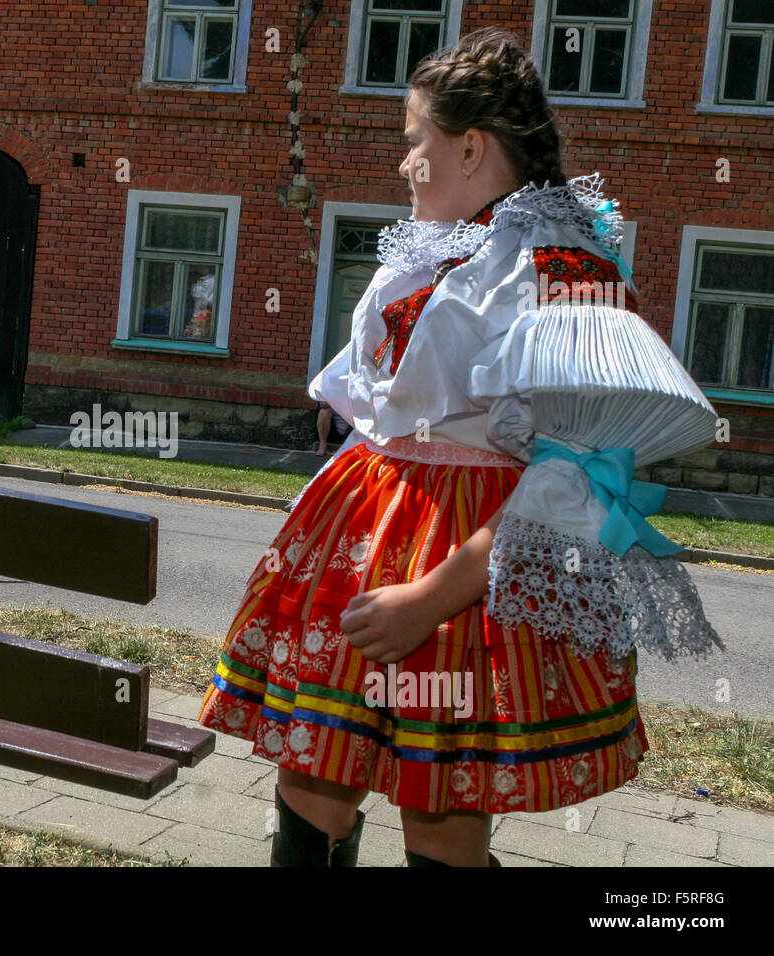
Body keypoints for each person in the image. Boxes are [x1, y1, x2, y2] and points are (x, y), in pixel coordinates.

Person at [197, 29, 721, 867]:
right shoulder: (437, 247)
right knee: (312, 775)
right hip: (364, 541)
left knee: (439, 805)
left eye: (415, 142)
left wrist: (431, 598)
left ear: (470, 147)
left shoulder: (564, 269)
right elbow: (380, 393)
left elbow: (578, 474)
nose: (405, 164)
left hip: (466, 574)